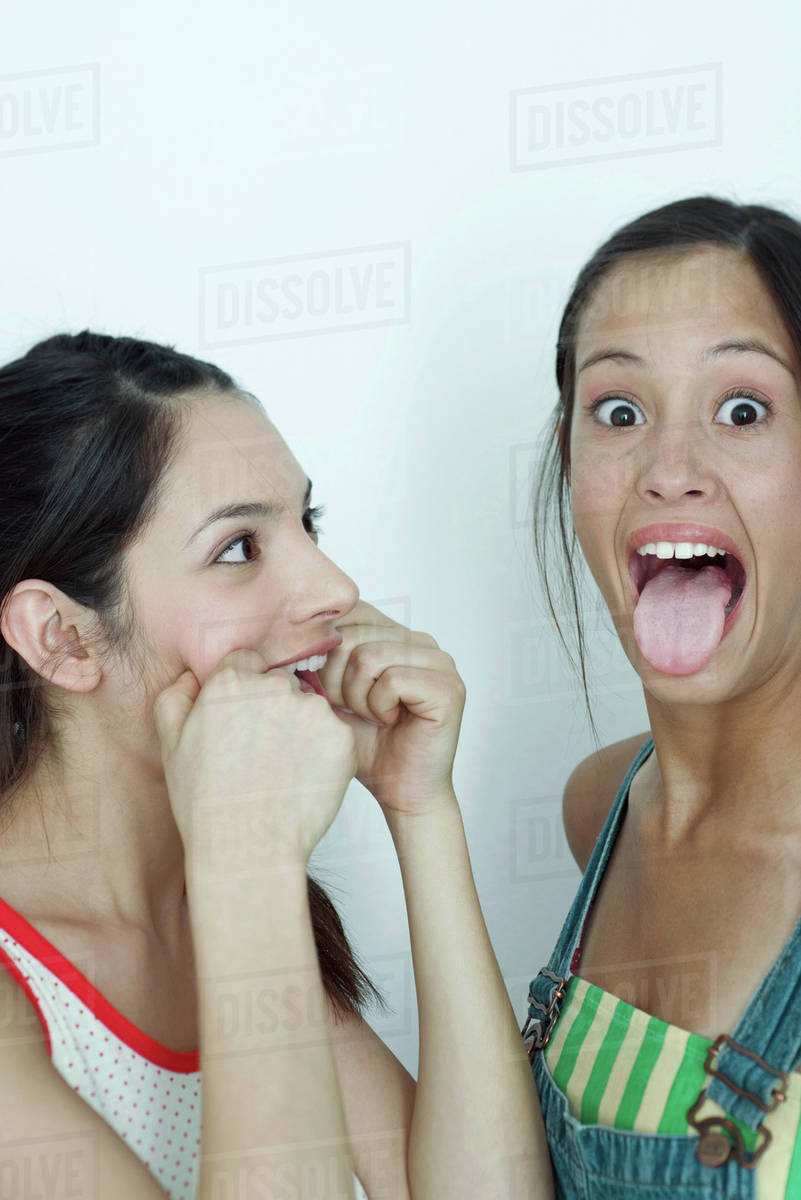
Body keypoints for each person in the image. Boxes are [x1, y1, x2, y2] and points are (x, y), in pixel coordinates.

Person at [0, 332, 552, 1199]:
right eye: (237, 549)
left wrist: (419, 808)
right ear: (62, 637)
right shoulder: (232, 890)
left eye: (307, 523)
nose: (332, 585)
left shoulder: (219, 903)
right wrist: (248, 858)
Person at [525, 195, 801, 1197]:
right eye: (620, 412)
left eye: (742, 409)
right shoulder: (600, 808)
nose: (668, 471)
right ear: (570, 461)